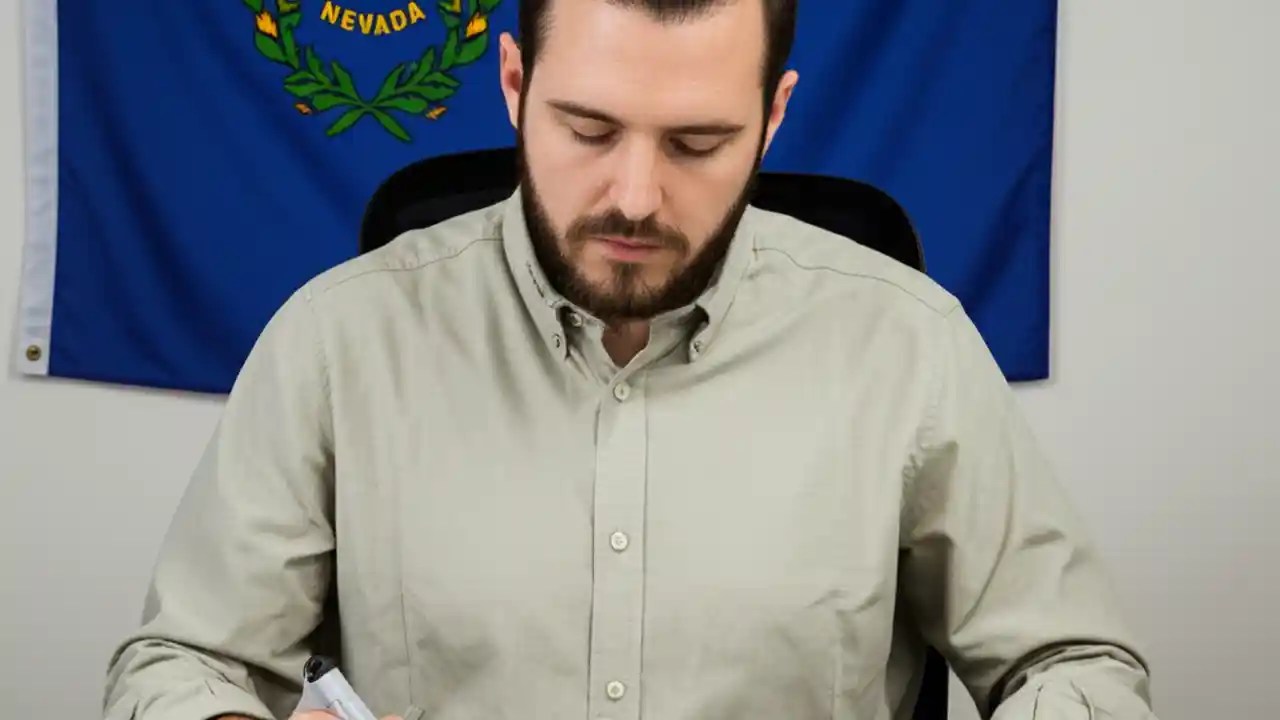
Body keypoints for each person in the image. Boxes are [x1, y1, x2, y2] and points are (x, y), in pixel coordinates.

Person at [103, 0, 1160, 718]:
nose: (634, 199)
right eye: (587, 128)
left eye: (695, 143)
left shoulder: (907, 344)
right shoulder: (337, 340)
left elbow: (1072, 664)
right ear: (513, 83)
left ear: (773, 115)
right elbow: (183, 662)